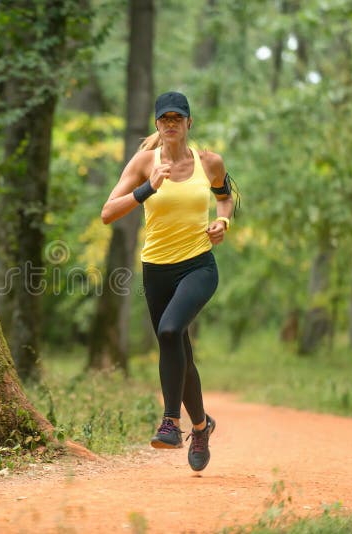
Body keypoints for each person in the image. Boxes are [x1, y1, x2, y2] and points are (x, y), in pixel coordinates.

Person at [100, 91, 235, 472]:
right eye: (165, 119)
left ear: (190, 123)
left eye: (178, 118)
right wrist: (147, 189)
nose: (171, 124)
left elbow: (225, 199)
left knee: (170, 330)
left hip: (198, 266)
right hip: (156, 269)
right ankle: (202, 426)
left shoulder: (210, 162)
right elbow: (108, 212)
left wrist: (222, 222)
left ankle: (170, 423)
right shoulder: (145, 163)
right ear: (157, 125)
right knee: (180, 350)